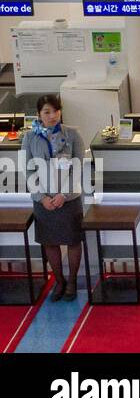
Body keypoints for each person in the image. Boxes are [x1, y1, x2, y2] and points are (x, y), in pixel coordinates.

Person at [22, 94, 86, 302]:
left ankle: (73, 280)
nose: (52, 116)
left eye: (55, 111)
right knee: (50, 242)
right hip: (44, 200)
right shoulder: (30, 137)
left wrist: (63, 195)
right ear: (39, 115)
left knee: (73, 240)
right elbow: (28, 170)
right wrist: (41, 197)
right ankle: (59, 280)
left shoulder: (73, 134)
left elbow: (77, 168)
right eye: (46, 112)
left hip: (69, 198)